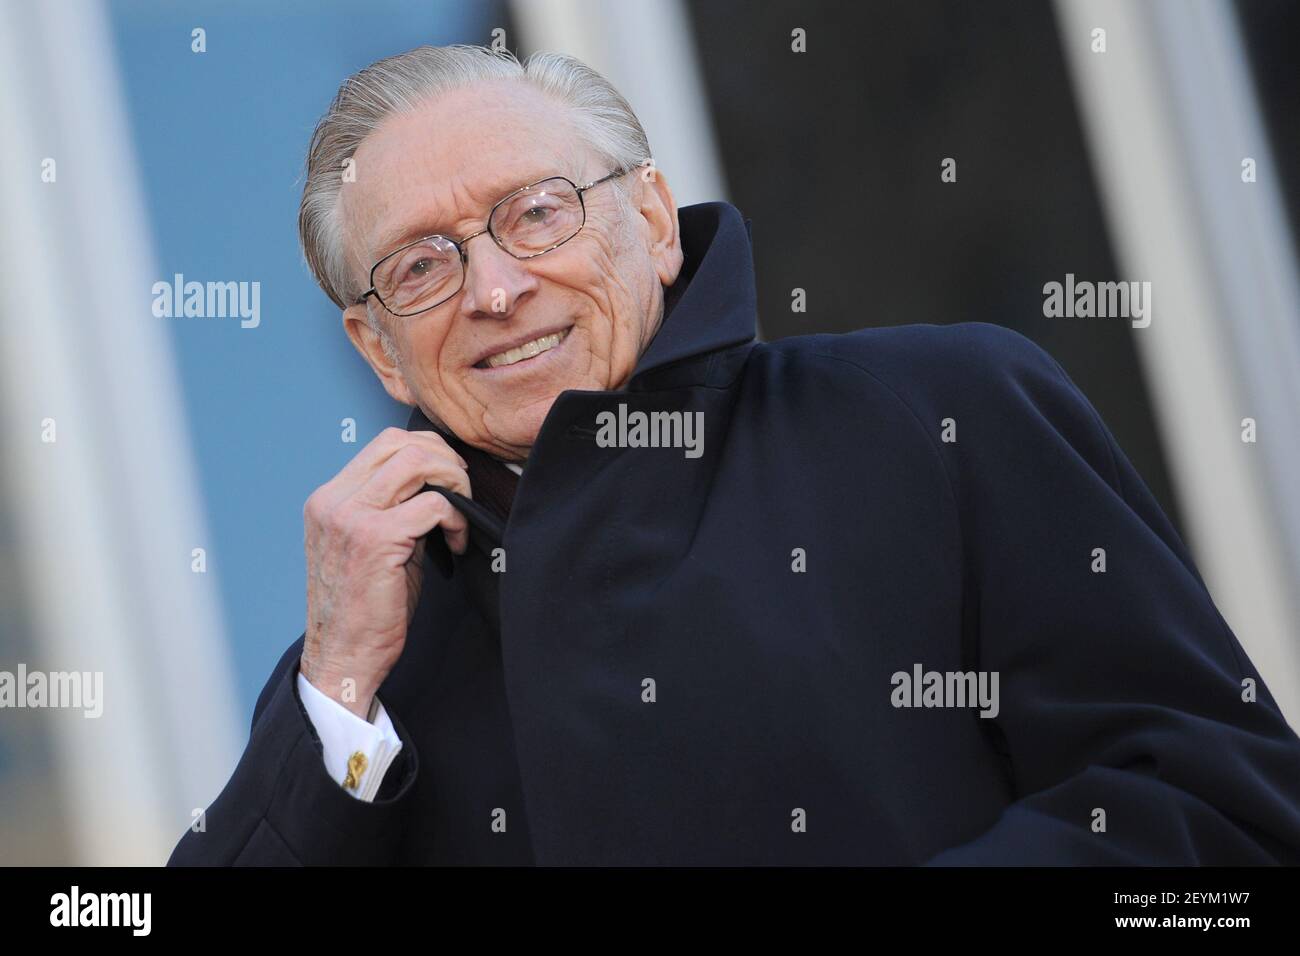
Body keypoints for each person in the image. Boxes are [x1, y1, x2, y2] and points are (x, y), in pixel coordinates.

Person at [168, 44, 1300, 865]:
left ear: (655, 221)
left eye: (537, 212)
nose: (496, 290)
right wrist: (335, 686)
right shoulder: (368, 657)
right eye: (420, 266)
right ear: (378, 350)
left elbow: (1232, 813)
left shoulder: (938, 414)